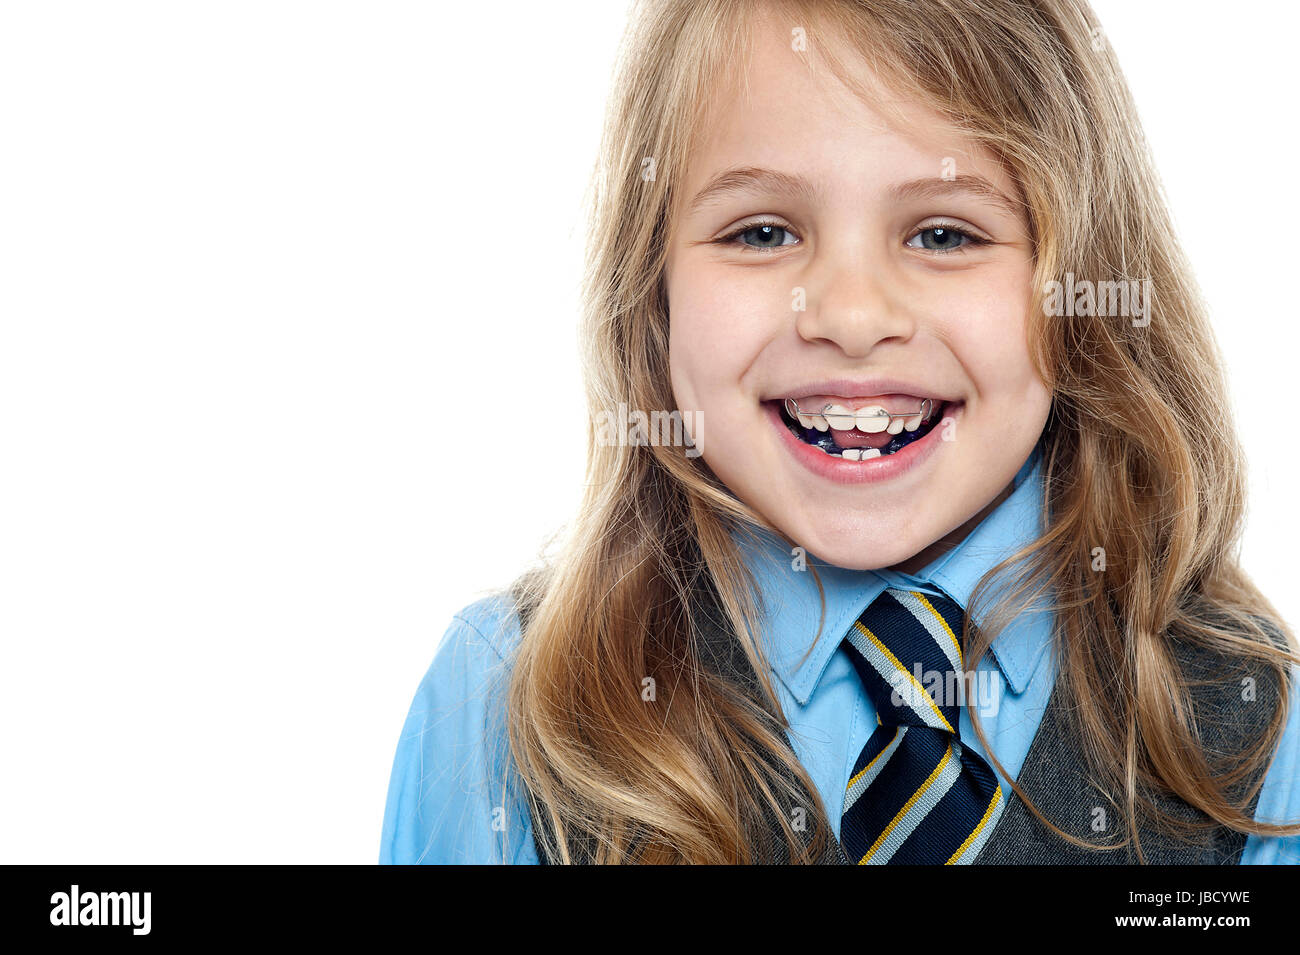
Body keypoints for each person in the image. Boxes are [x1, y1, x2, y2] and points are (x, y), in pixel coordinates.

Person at [380, 0, 1300, 864]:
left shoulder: (1259, 726)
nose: (853, 318)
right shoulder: (501, 704)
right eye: (762, 233)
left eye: (944, 235)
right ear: (653, 290)